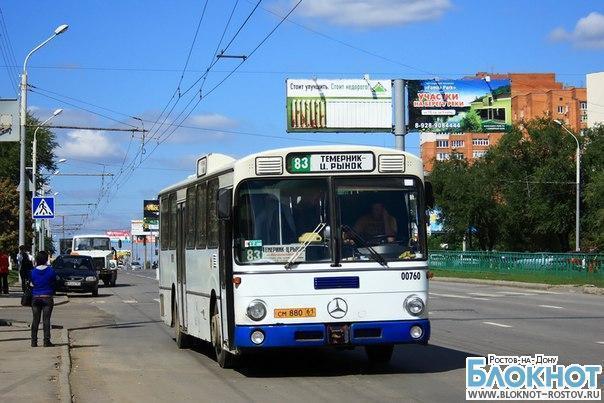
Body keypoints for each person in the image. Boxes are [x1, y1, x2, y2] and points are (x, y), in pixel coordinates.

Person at [30, 250, 56, 347]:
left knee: (35, 319)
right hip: (47, 297)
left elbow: (32, 283)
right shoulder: (51, 271)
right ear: (46, 259)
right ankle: (46, 341)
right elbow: (54, 282)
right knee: (46, 320)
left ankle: (33, 341)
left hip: (35, 297)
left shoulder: (33, 272)